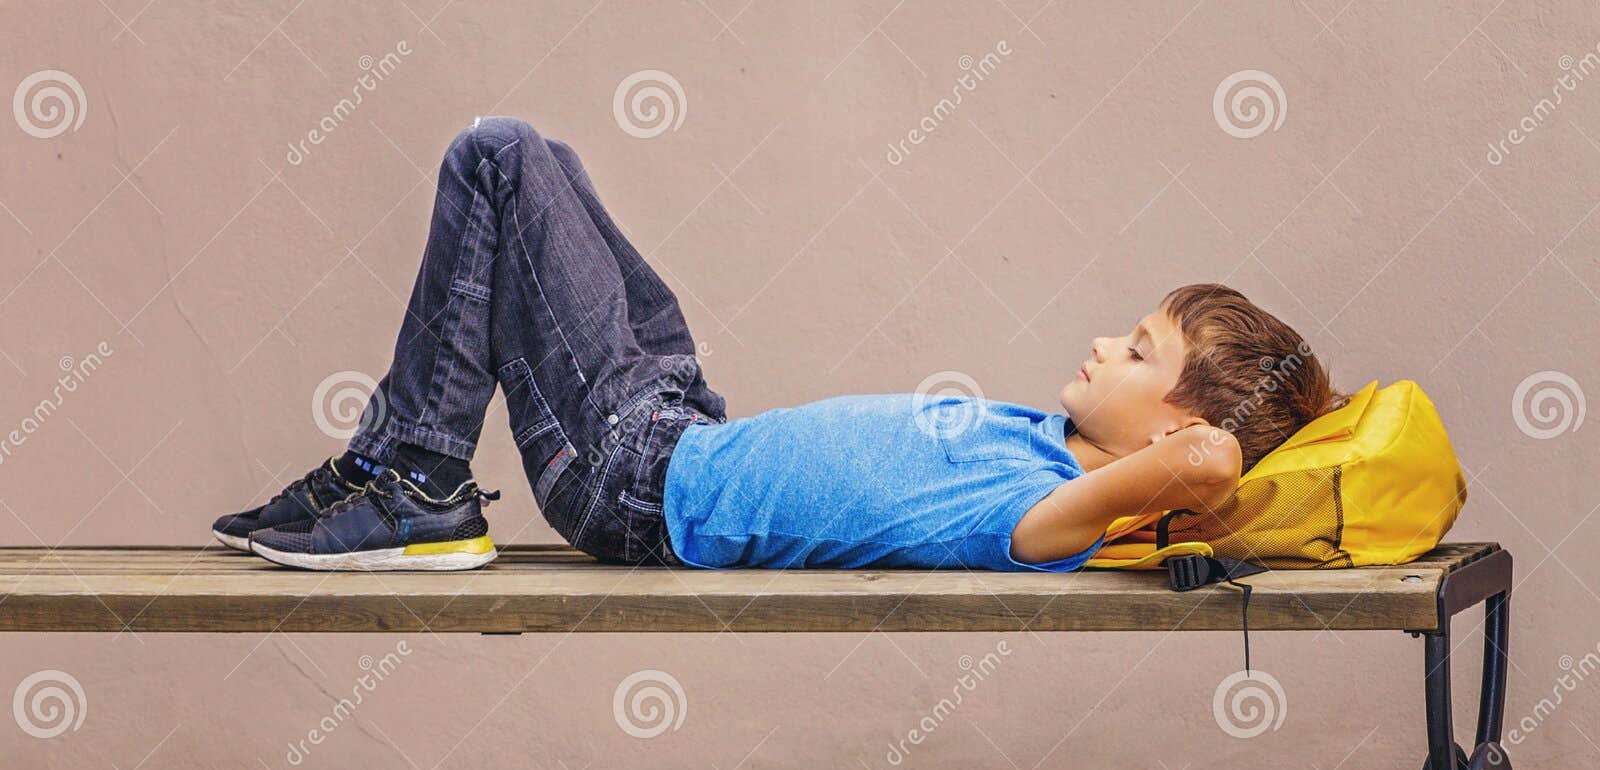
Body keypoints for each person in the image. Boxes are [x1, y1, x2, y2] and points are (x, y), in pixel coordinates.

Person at [214, 117, 1336, 573]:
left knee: (498, 155)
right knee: (545, 160)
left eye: (1137, 353)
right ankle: (405, 468)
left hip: (631, 482)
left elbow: (1210, 466)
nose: (1102, 344)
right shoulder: (1043, 445)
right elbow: (1197, 452)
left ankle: (411, 472)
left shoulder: (1047, 514)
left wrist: (1253, 446)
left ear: (1179, 421)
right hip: (678, 420)